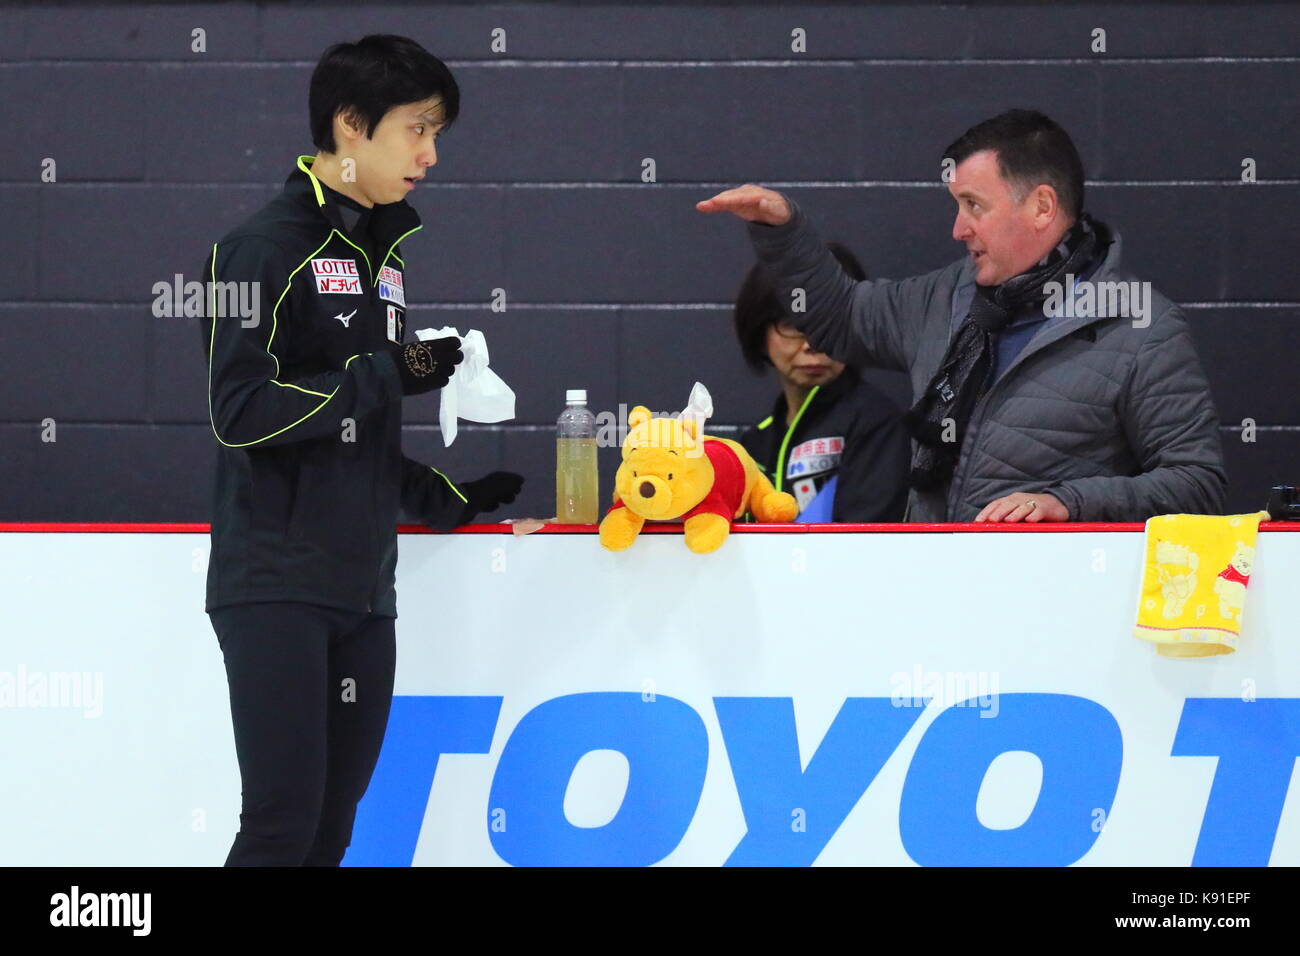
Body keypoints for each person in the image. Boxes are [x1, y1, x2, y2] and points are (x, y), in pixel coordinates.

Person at [199, 35, 523, 866]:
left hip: (363, 592)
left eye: (438, 133)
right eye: (417, 129)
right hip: (274, 583)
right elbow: (238, 411)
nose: (431, 154)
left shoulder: (384, 255)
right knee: (280, 825)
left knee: (332, 830)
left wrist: (442, 497)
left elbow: (354, 426)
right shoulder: (258, 249)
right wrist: (390, 373)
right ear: (350, 125)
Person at [698, 109, 1227, 523]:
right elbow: (839, 317)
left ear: (1042, 207)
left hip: (1067, 614)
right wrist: (784, 232)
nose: (958, 228)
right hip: (940, 600)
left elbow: (1198, 484)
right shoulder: (944, 295)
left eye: (974, 205)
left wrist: (1069, 502)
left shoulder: (1143, 327)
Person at [734, 242, 910, 522]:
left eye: (827, 324)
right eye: (792, 325)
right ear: (759, 332)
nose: (813, 344)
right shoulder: (754, 443)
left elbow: (866, 545)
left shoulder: (876, 422)